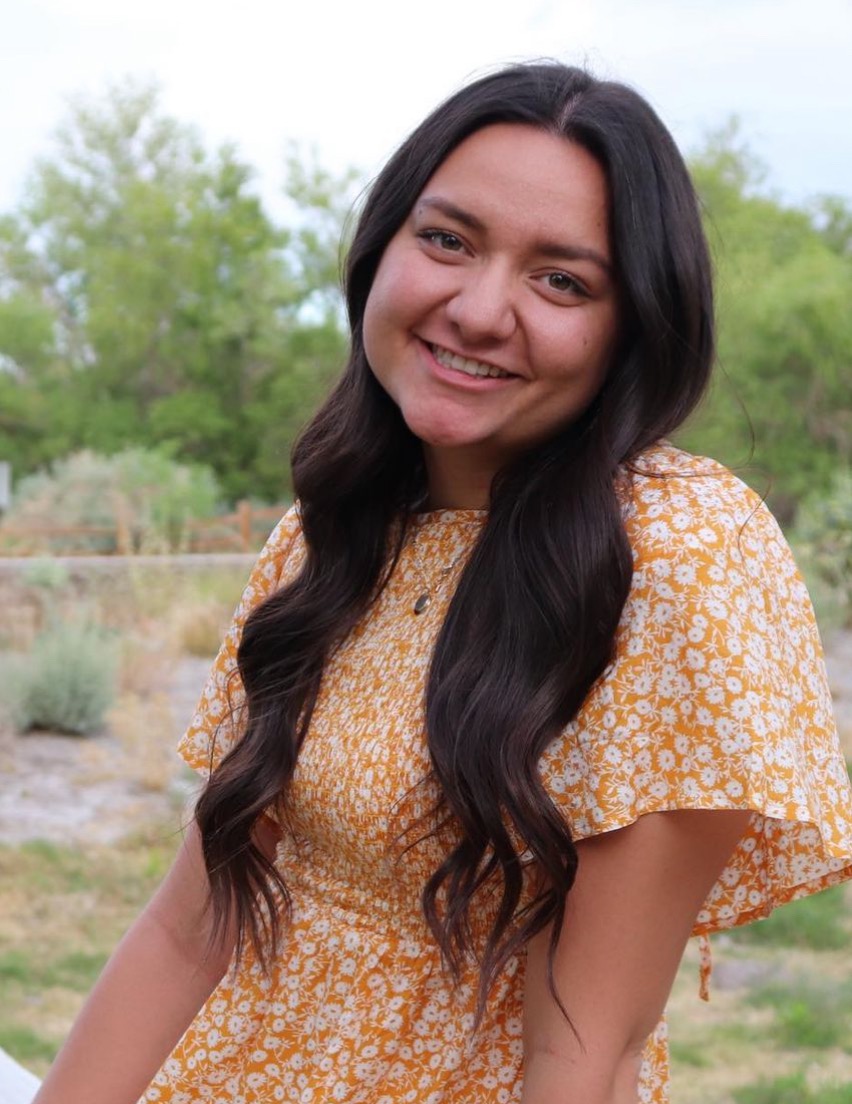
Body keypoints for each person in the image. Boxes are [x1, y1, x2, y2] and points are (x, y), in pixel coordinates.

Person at [33, 62, 852, 1104]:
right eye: (448, 240)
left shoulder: (678, 559)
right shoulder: (328, 529)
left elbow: (584, 1049)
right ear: (382, 248)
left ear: (633, 325)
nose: (476, 309)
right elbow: (187, 930)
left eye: (561, 280)